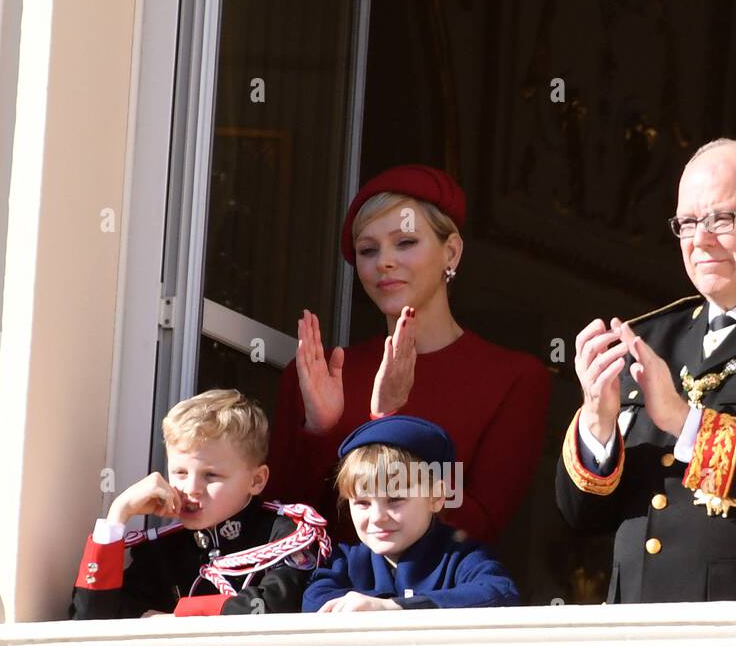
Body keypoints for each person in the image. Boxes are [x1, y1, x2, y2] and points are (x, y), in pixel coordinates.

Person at [555, 138, 736, 603]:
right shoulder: (649, 338)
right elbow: (582, 517)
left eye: (720, 219)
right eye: (687, 223)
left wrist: (687, 424)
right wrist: (597, 424)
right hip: (634, 634)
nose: (700, 239)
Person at [266, 164, 551, 543]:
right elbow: (280, 533)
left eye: (405, 243)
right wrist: (320, 431)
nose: (384, 261)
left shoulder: (513, 378)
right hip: (320, 600)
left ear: (451, 252)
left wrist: (384, 423)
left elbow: (472, 530)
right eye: (368, 250)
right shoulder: (321, 373)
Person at [71, 388, 329, 621]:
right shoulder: (163, 549)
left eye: (211, 475)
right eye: (180, 473)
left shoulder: (286, 536)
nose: (191, 488)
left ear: (257, 480)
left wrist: (175, 618)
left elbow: (273, 607)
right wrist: (119, 513)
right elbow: (91, 619)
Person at [302, 416, 520, 613]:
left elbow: (499, 593)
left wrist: (394, 607)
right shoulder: (343, 561)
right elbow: (315, 601)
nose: (378, 517)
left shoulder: (461, 558)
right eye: (362, 502)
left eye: (395, 500)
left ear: (436, 497)